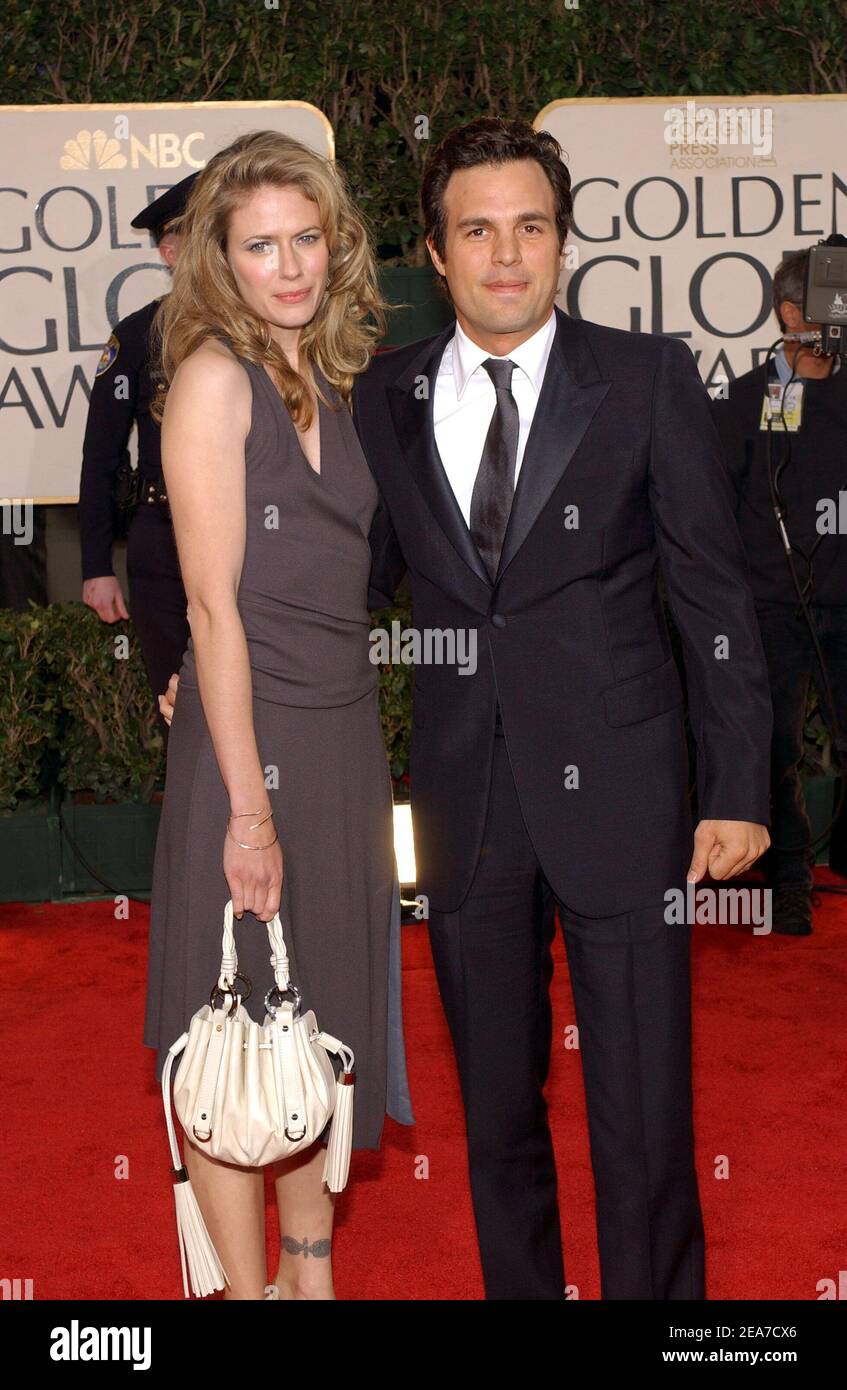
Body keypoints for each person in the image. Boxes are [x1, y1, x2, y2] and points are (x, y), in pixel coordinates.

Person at [163, 116, 772, 1301]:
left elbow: (713, 589)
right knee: (495, 1116)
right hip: (462, 806)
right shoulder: (379, 396)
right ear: (433, 256)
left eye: (530, 228)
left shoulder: (644, 377)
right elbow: (315, 564)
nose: (506, 256)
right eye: (476, 231)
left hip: (628, 799)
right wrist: (187, 654)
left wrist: (740, 786)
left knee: (645, 1116)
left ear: (562, 243)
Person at [143, 130, 413, 1302]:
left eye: (306, 238)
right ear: (220, 256)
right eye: (261, 244)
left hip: (344, 736)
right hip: (253, 754)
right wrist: (248, 811)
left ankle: (311, 1282)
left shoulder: (333, 373)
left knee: (318, 1023)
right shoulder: (213, 375)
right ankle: (242, 1298)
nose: (290, 265)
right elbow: (211, 605)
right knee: (234, 1020)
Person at [712, 247, 847, 936]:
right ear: (793, 313)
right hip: (768, 607)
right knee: (772, 749)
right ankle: (789, 878)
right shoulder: (742, 405)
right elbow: (715, 515)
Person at [78, 174, 197, 734]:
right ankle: (197, 823)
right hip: (164, 538)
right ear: (168, 251)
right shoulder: (137, 334)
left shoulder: (266, 327)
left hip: (260, 534)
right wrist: (97, 566)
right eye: (196, 235)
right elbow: (100, 456)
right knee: (180, 704)